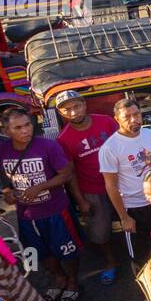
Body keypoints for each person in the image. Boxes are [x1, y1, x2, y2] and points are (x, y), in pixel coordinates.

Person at [0, 107, 81, 301]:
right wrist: (7, 191)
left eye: (27, 125)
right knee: (38, 252)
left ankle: (74, 282)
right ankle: (59, 278)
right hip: (26, 215)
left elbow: (66, 174)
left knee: (68, 250)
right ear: (6, 131)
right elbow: (0, 174)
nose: (25, 130)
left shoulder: (48, 146)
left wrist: (40, 187)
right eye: (18, 128)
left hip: (56, 211)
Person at [55, 90, 120, 286]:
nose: (73, 112)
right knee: (100, 232)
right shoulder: (63, 139)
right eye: (67, 109)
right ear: (61, 113)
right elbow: (71, 173)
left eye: (76, 106)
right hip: (93, 190)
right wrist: (81, 200)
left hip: (120, 183)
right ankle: (111, 262)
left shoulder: (106, 122)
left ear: (84, 104)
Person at [99, 97, 151, 266]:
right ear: (117, 120)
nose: (134, 120)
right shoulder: (110, 148)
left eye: (136, 114)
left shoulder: (150, 134)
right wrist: (124, 217)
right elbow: (111, 186)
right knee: (142, 259)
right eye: (127, 117)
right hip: (135, 208)